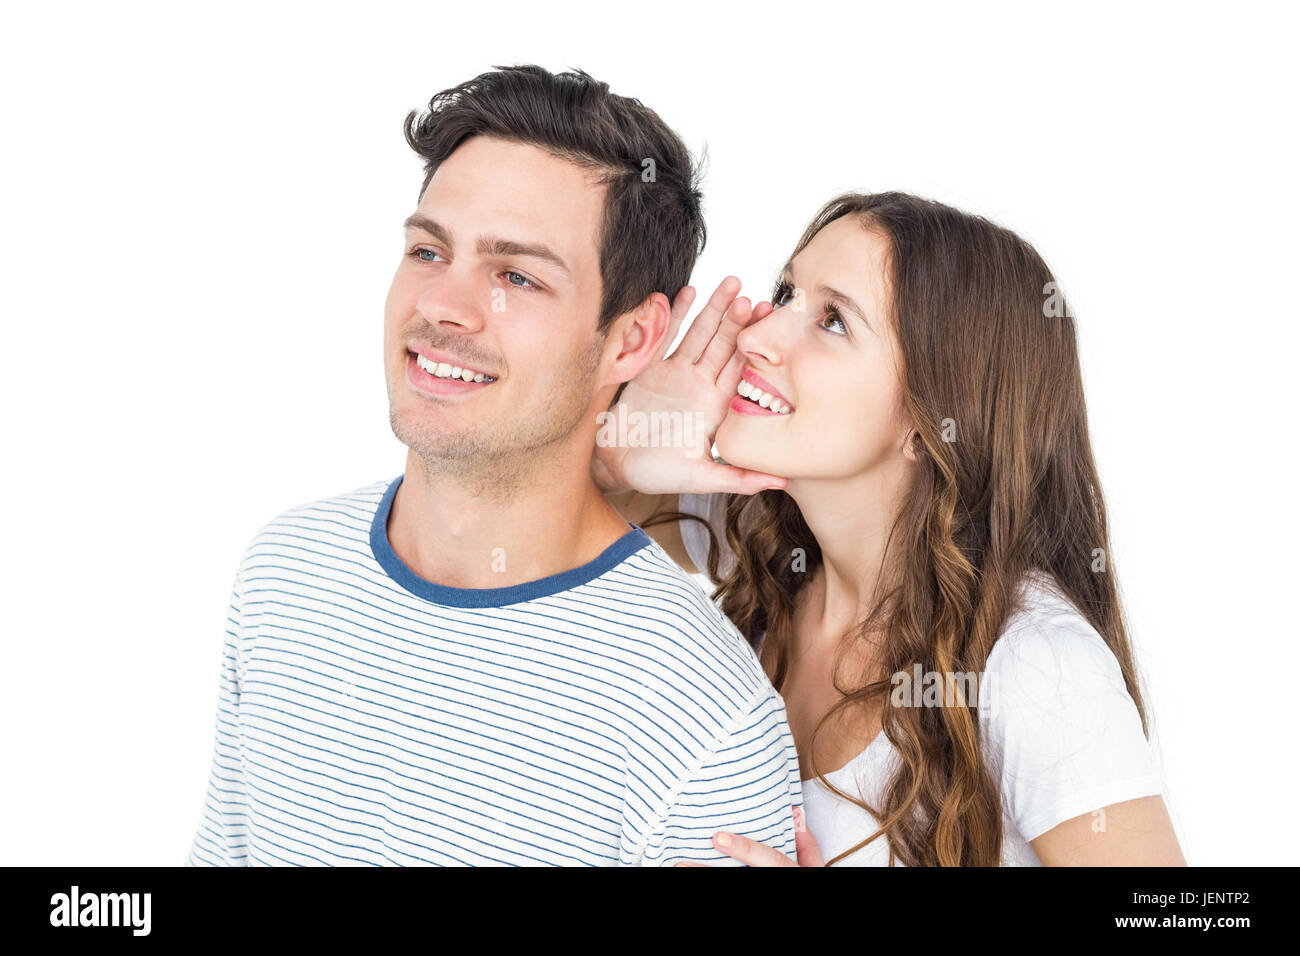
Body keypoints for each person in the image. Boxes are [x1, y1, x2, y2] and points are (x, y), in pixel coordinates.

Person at [185, 65, 803, 867]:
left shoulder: (699, 713)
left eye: (516, 276)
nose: (442, 305)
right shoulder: (282, 574)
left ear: (631, 340)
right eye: (428, 249)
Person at [595, 191, 1186, 866]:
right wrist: (616, 453)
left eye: (833, 322)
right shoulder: (763, 537)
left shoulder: (1033, 666)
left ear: (929, 418)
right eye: (785, 292)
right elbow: (555, 517)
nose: (757, 335)